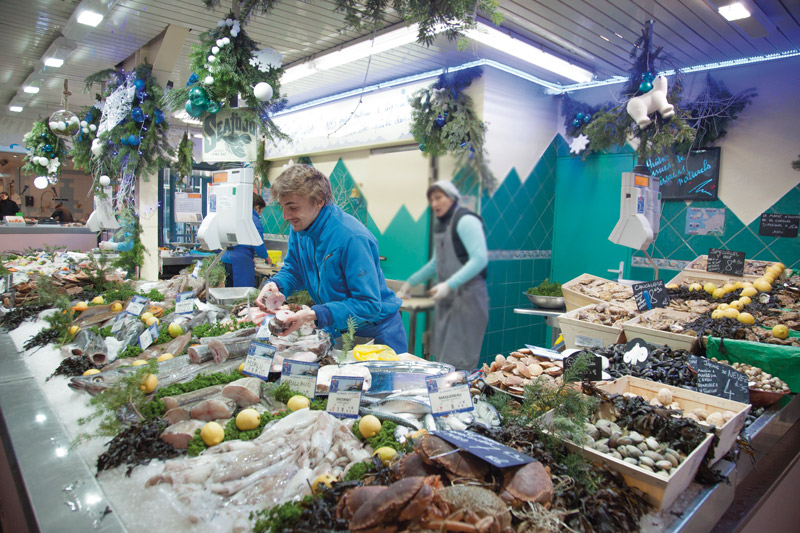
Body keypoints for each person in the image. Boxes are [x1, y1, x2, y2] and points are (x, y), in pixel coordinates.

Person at [255, 164, 407, 353]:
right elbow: (294, 270)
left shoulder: (352, 237)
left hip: (376, 335)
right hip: (336, 329)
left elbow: (368, 304)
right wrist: (277, 284)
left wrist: (316, 314)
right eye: (283, 207)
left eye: (293, 207)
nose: (286, 216)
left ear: (318, 200)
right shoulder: (301, 229)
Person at [397, 180, 488, 370]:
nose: (434, 204)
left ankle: (458, 398)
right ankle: (442, 398)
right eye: (431, 199)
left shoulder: (466, 221)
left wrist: (448, 285)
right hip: (449, 302)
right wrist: (410, 283)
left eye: (439, 198)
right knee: (444, 361)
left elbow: (480, 259)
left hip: (468, 301)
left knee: (459, 363)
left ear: (452, 197)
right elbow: (437, 262)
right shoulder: (443, 225)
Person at [221, 193, 269, 288]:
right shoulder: (253, 220)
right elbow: (258, 244)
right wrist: (267, 258)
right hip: (240, 262)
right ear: (256, 207)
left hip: (226, 258)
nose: (259, 215)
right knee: (242, 293)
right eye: (260, 212)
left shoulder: (236, 215)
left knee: (229, 291)